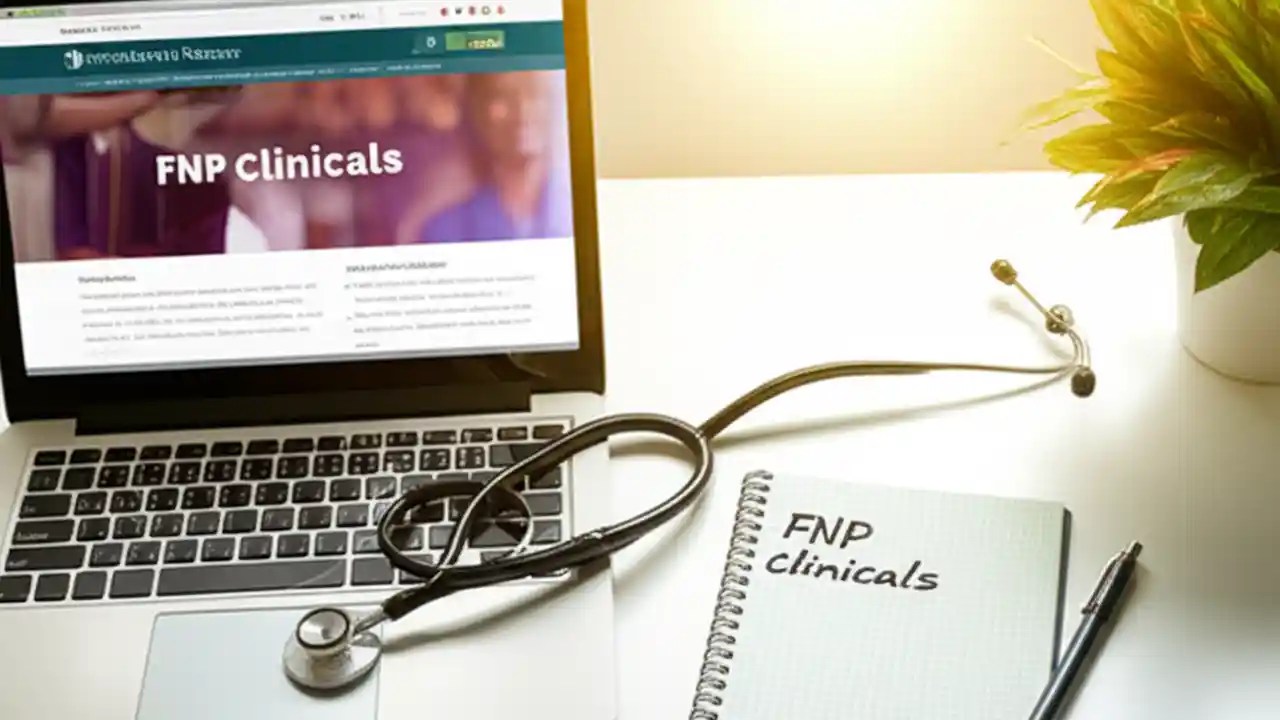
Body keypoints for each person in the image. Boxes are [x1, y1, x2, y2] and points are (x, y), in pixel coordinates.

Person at [416, 71, 573, 244]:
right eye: (503, 97)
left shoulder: (581, 207)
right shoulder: (445, 232)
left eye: (534, 94)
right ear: (477, 111)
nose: (522, 111)